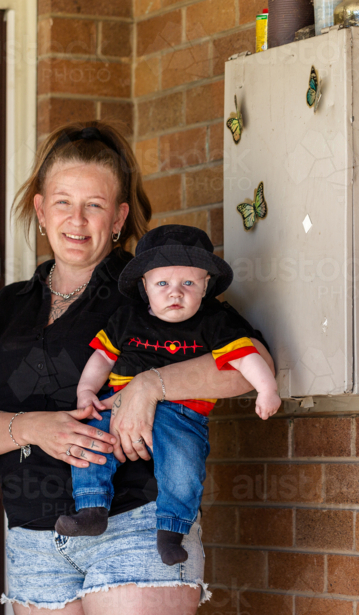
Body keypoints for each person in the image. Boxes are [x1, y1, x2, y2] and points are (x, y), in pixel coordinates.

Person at [0, 121, 273, 615]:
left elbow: (247, 361)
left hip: (136, 522)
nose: (76, 221)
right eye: (62, 203)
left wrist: (152, 384)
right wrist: (35, 429)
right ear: (40, 209)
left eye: (95, 206)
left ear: (120, 216)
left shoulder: (151, 290)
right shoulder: (10, 304)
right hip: (33, 536)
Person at [58, 225, 281, 565]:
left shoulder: (215, 320)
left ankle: (172, 532)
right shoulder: (127, 317)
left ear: (206, 285)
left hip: (182, 413)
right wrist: (86, 390)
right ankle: (91, 509)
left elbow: (246, 357)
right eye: (162, 283)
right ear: (144, 285)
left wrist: (267, 389)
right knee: (91, 441)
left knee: (183, 465)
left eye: (188, 283)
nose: (175, 293)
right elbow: (103, 357)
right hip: (116, 406)